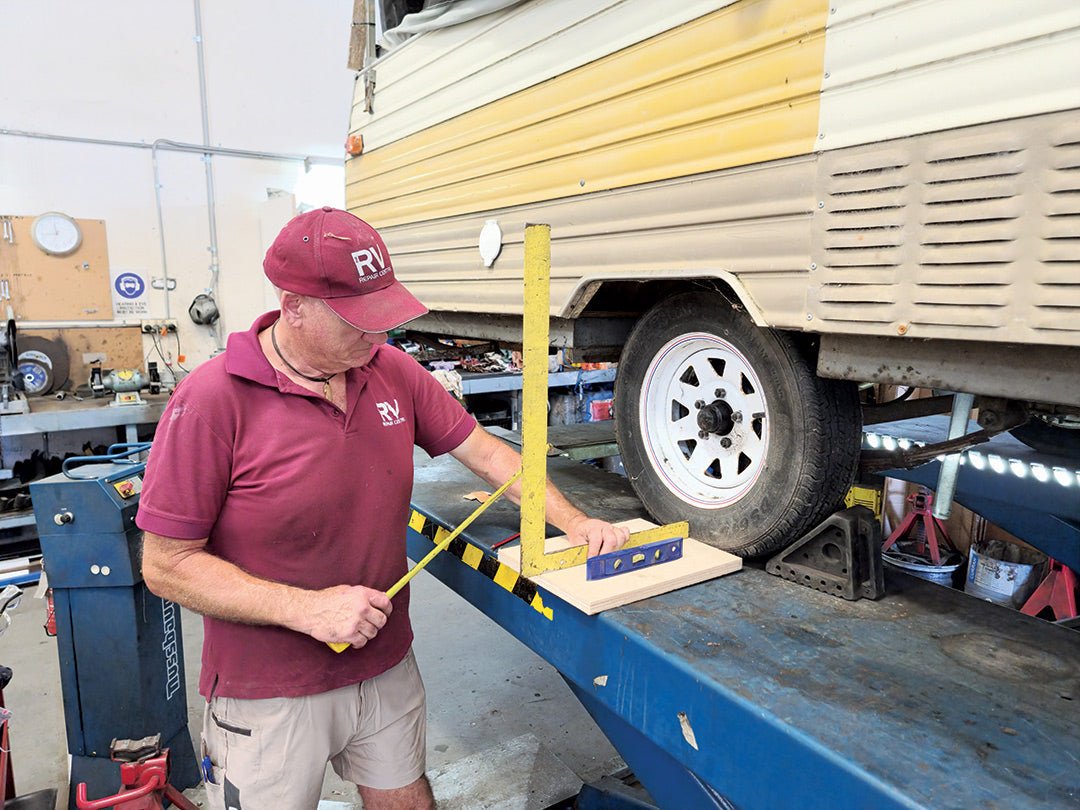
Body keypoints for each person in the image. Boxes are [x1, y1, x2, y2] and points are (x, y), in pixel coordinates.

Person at [136, 207, 630, 810]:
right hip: (267, 689)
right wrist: (308, 610)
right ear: (294, 307)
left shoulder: (389, 369)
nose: (379, 337)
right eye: (358, 322)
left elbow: (489, 455)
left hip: (384, 662)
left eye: (384, 318)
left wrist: (574, 521)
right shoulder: (212, 400)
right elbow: (166, 565)